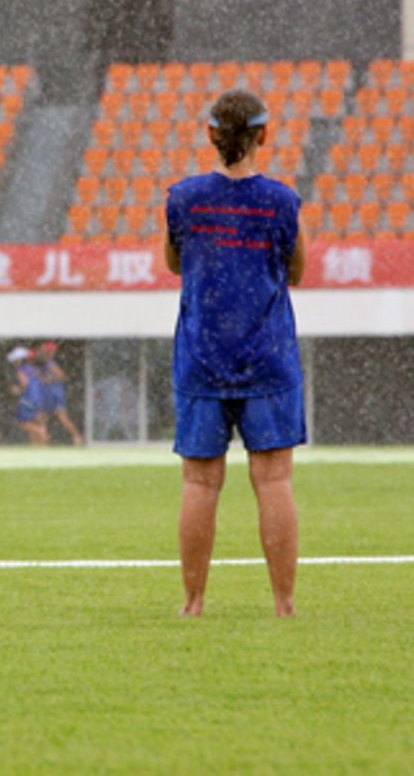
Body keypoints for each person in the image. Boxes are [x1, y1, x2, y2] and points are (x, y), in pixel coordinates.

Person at [165, 88, 307, 618]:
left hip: (203, 355)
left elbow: (175, 262)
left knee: (200, 481)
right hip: (267, 355)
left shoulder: (184, 198)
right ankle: (283, 603)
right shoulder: (282, 202)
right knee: (274, 480)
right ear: (263, 136)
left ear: (211, 135)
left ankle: (194, 602)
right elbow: (296, 270)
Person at [38, 342, 84, 446]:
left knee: (60, 418)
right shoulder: (47, 363)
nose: (41, 352)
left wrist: (47, 379)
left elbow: (61, 376)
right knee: (42, 418)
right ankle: (44, 440)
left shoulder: (50, 363)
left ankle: (76, 437)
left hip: (54, 395)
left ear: (48, 352)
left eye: (43, 350)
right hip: (50, 394)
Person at [8, 346, 49, 446]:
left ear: (19, 360)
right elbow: (42, 382)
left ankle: (41, 432)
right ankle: (39, 449)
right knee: (36, 423)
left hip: (28, 399)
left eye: (15, 360)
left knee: (21, 423)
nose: (14, 362)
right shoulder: (34, 369)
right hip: (39, 399)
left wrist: (16, 389)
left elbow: (24, 383)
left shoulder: (20, 370)